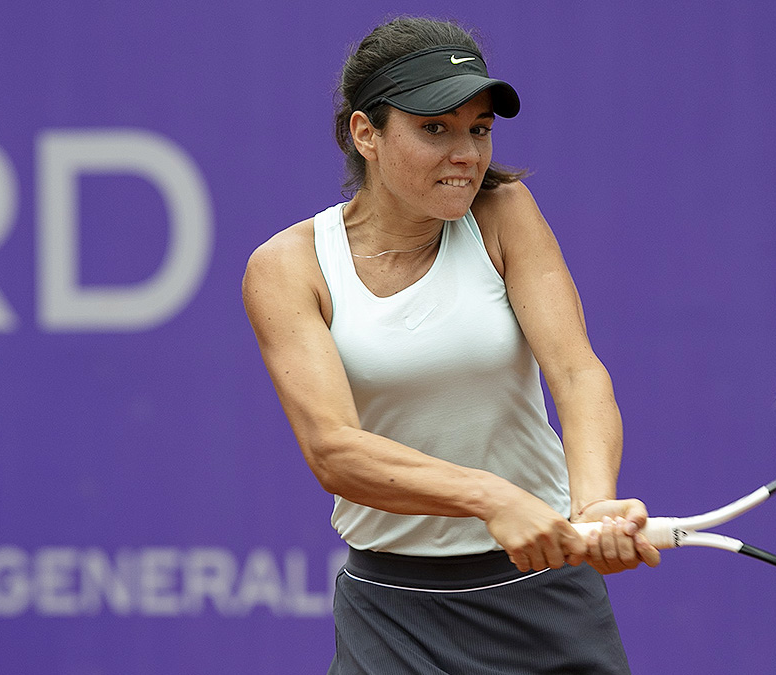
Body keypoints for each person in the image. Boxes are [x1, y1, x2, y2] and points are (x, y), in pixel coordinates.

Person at [242, 16, 660, 674]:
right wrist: (492, 497)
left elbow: (577, 374)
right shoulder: (288, 267)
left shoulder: (506, 212)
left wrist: (593, 504)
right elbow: (334, 450)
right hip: (392, 618)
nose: (465, 153)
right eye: (434, 129)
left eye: (479, 129)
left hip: (545, 597)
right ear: (366, 133)